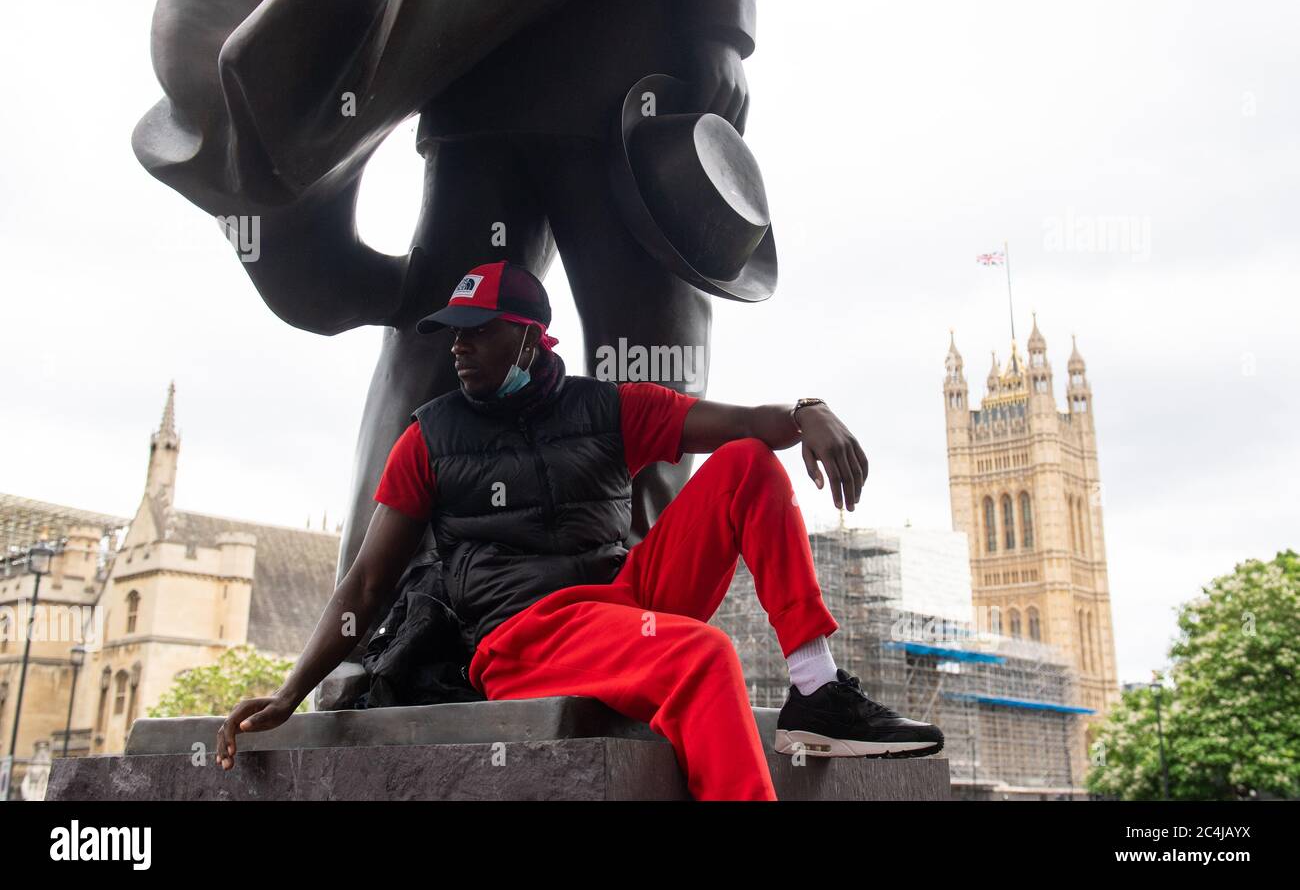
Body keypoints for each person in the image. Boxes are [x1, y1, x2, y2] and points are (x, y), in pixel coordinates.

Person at [216, 263, 944, 800]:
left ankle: (816, 689)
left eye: (479, 331)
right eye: (453, 333)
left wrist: (809, 412)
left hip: (623, 604)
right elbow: (367, 585)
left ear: (530, 338)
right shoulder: (429, 439)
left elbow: (748, 423)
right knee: (702, 655)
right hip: (524, 636)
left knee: (749, 463)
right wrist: (289, 692)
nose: (459, 347)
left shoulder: (607, 408)